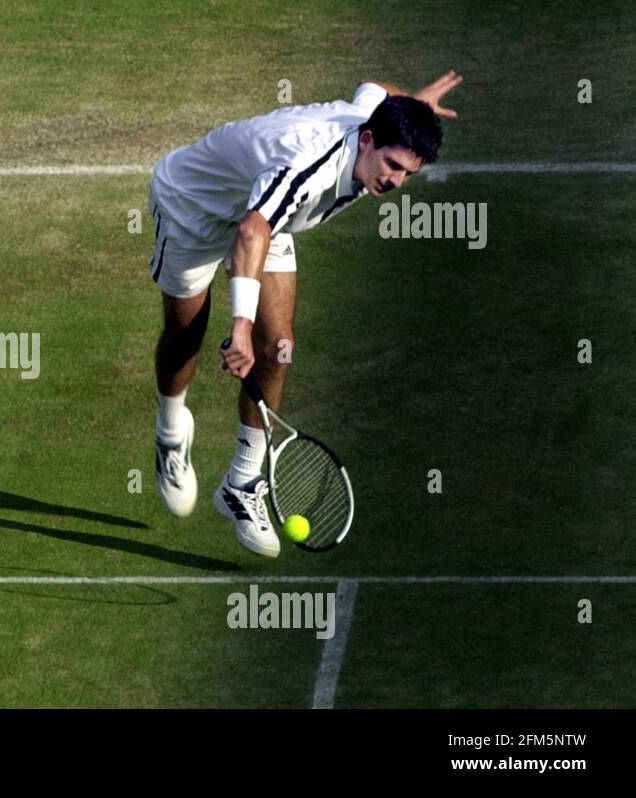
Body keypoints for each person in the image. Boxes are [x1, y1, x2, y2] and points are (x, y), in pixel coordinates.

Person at [149, 71, 462, 557]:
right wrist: (240, 327)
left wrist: (415, 107)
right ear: (367, 140)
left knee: (279, 347)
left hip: (267, 213)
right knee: (186, 331)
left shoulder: (373, 124)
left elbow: (374, 86)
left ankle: (242, 482)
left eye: (408, 174)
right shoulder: (305, 166)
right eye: (393, 165)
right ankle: (171, 434)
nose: (395, 182)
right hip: (195, 206)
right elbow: (250, 232)